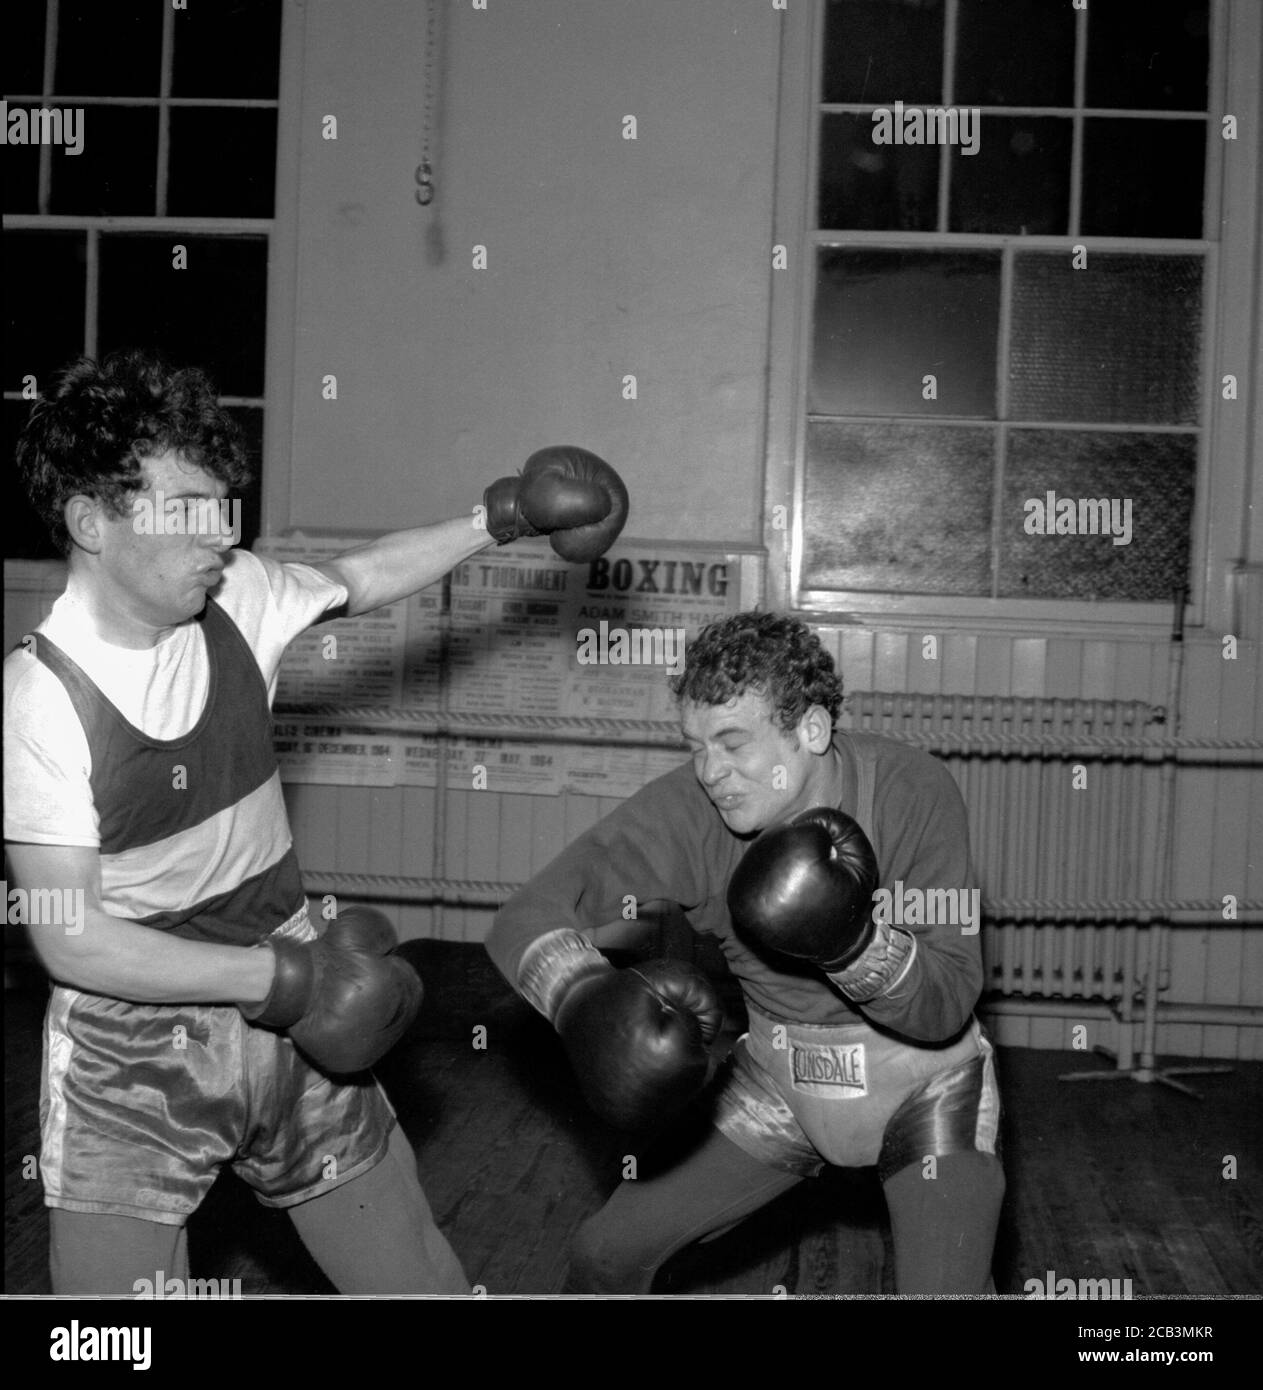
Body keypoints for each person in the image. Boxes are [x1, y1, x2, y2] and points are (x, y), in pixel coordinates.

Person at [3, 348, 627, 1295]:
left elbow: (359, 576)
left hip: (291, 1000)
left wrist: (497, 517)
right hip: (134, 1052)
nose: (221, 536)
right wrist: (286, 981)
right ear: (92, 521)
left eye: (225, 507)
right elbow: (72, 941)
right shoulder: (39, 700)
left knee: (416, 1282)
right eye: (189, 511)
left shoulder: (238, 599)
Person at [486, 611, 1004, 1295]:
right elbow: (524, 915)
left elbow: (945, 1004)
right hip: (779, 1085)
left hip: (926, 1087)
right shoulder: (691, 811)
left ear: (811, 730)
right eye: (696, 746)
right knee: (606, 1255)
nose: (712, 773)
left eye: (733, 743)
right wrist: (579, 993)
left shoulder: (912, 791)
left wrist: (851, 943)